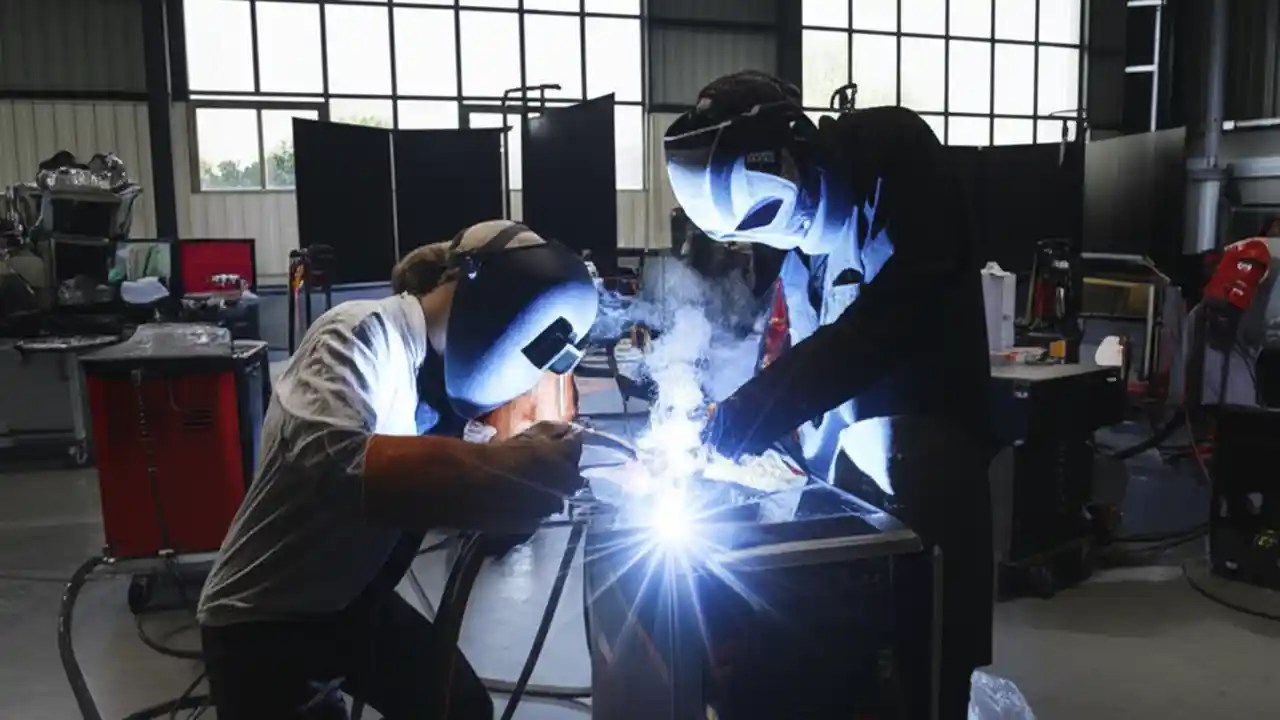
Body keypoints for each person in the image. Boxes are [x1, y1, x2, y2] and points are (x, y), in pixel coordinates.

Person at [664, 71, 993, 717]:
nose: (781, 239)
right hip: (842, 470)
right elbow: (795, 346)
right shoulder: (800, 234)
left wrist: (745, 419)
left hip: (926, 461)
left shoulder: (895, 157)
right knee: (836, 652)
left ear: (790, 156)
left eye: (773, 221)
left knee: (928, 656)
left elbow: (889, 324)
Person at [197, 220, 599, 719]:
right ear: (477, 290)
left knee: (462, 711)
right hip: (263, 619)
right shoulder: (358, 333)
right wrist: (503, 469)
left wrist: (520, 495)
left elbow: (479, 523)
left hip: (355, 600)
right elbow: (339, 467)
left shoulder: (455, 391)